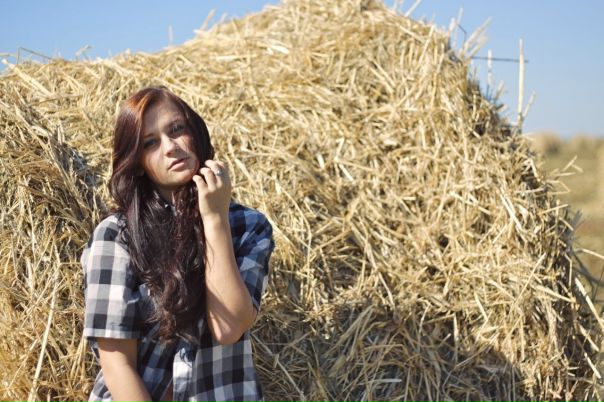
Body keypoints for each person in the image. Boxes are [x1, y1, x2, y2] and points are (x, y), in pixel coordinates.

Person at [81, 86, 275, 402]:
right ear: (137, 161)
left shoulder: (248, 226)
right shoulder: (117, 235)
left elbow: (228, 328)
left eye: (176, 129)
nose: (171, 147)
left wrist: (215, 220)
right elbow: (117, 365)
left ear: (194, 132)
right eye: (151, 143)